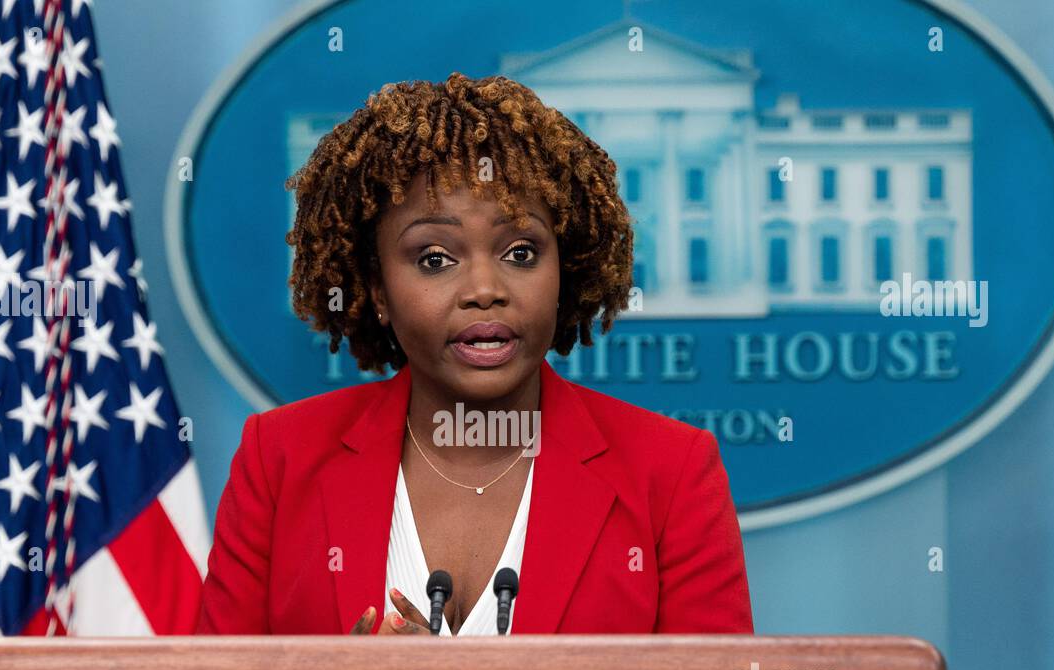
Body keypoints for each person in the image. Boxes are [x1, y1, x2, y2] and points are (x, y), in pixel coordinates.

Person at [195, 72, 753, 637]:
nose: (485, 288)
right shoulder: (280, 461)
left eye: (521, 251)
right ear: (377, 288)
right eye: (435, 258)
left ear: (567, 268)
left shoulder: (672, 473)